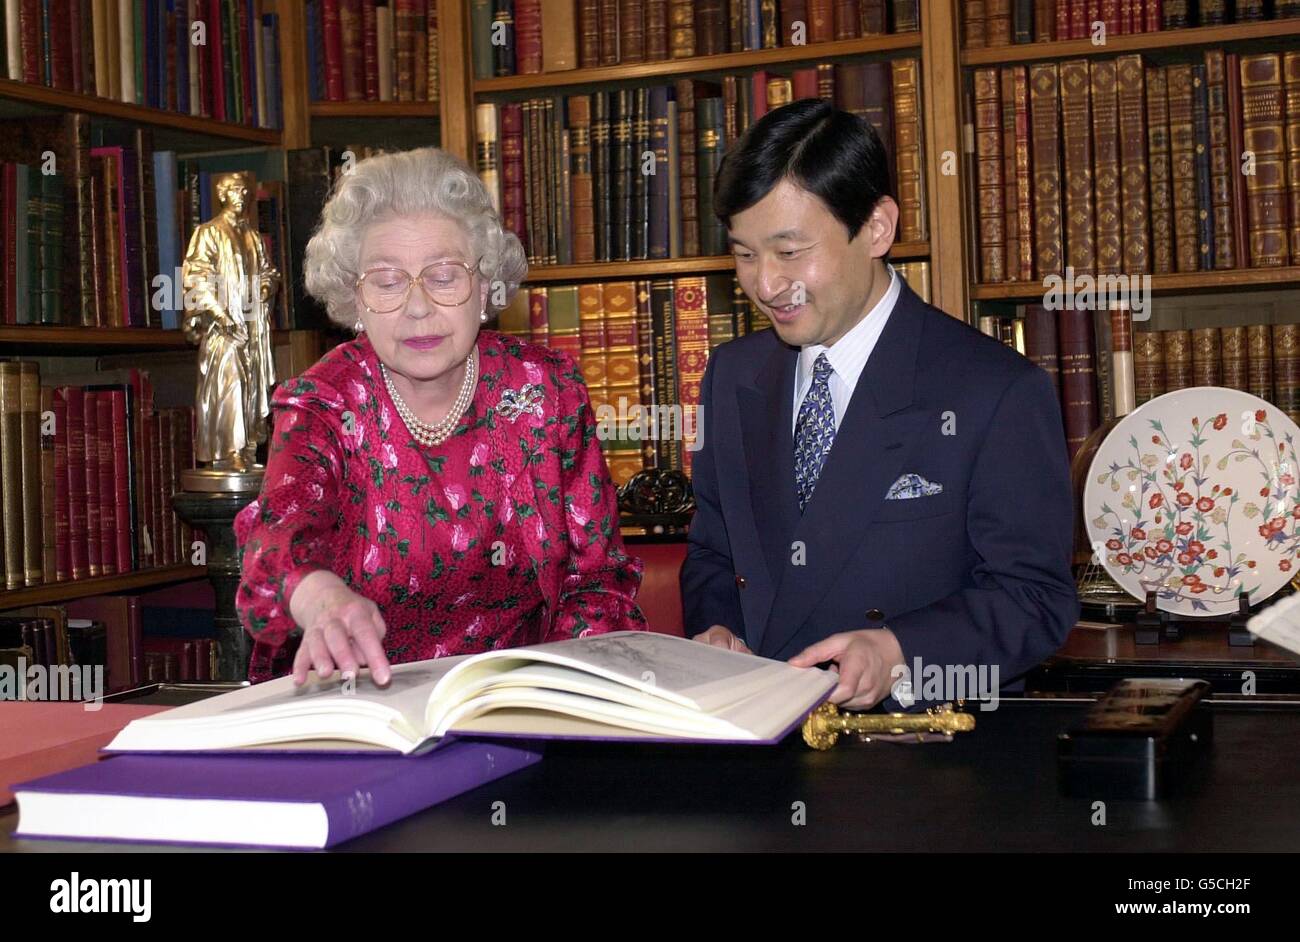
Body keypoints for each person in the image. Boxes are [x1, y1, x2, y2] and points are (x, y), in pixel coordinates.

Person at [681, 99, 1080, 710]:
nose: (764, 285)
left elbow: (1033, 599)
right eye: (743, 254)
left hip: (921, 752)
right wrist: (715, 633)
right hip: (758, 738)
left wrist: (899, 651)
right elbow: (715, 553)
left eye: (790, 252)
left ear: (877, 227)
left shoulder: (994, 390)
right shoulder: (732, 376)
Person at [234, 147, 646, 686]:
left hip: (519, 707)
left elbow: (597, 582)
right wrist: (320, 595)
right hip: (357, 712)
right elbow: (276, 538)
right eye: (387, 280)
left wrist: (556, 696)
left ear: (483, 287)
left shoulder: (546, 391)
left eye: (444, 275)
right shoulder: (323, 403)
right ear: (353, 300)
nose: (418, 306)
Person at [182, 170, 280, 471]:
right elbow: (195, 277)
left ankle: (248, 448)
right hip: (223, 327)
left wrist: (266, 285)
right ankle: (229, 450)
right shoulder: (209, 232)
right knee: (230, 384)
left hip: (252, 327)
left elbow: (268, 271)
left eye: (245, 190)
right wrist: (219, 315)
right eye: (236, 190)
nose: (243, 195)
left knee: (251, 387)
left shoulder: (252, 237)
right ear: (223, 195)